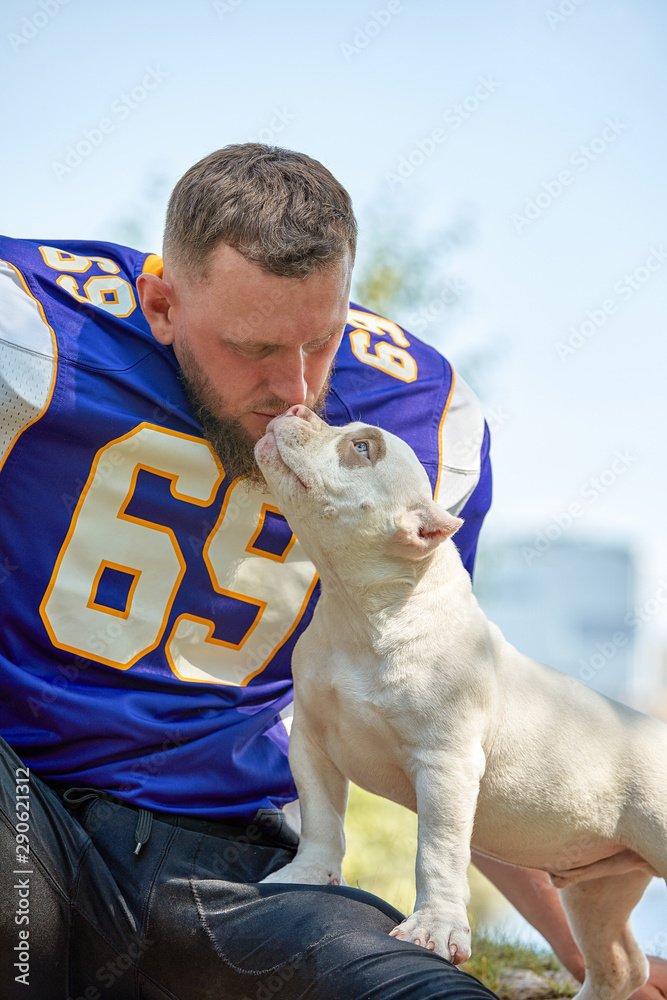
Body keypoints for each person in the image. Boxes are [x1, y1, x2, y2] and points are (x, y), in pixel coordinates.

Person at [0, 144, 664, 1000]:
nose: (297, 388)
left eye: (324, 338)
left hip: (232, 856)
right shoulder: (30, 331)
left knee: (414, 992)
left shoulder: (425, 419)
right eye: (254, 348)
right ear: (162, 304)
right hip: (24, 808)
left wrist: (586, 952)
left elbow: (436, 710)